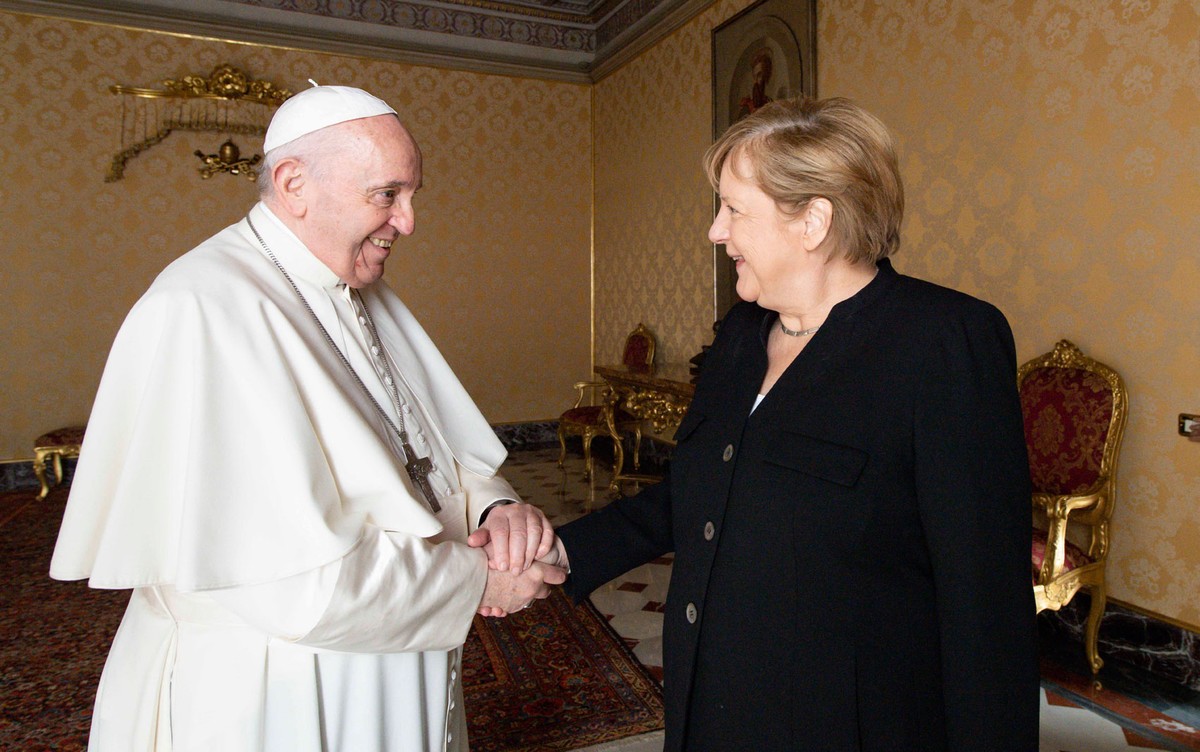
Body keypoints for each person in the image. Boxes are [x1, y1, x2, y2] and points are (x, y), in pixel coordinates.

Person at [49, 84, 564, 752]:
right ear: (295, 184)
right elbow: (289, 584)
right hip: (279, 687)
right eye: (387, 194)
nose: (408, 221)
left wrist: (498, 511)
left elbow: (432, 452)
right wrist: (480, 578)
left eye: (412, 195)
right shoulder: (203, 308)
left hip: (398, 650)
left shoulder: (357, 288)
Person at [530, 97, 1040, 750]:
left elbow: (985, 606)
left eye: (734, 210)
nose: (716, 232)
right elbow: (699, 490)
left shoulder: (943, 341)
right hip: (711, 711)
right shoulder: (741, 334)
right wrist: (565, 552)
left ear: (813, 222)